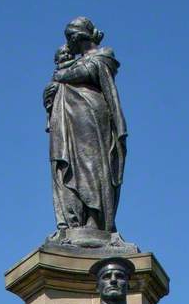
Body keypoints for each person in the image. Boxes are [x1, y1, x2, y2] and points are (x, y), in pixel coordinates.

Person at [43, 17, 127, 240]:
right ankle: (73, 220)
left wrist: (60, 76)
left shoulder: (103, 55)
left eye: (71, 36)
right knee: (67, 165)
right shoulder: (72, 63)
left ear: (79, 36)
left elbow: (88, 71)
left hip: (89, 115)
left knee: (91, 164)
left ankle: (95, 219)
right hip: (67, 119)